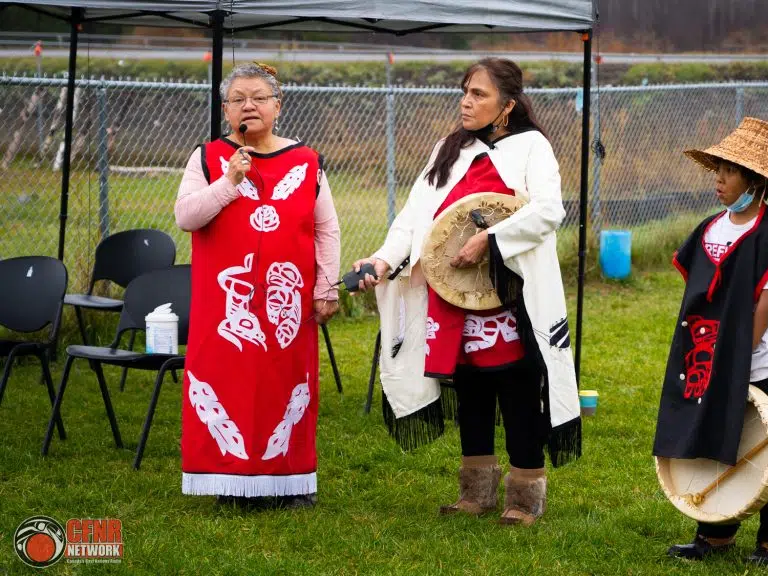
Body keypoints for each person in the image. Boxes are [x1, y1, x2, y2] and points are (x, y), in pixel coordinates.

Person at [351, 58, 581, 526]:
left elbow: (549, 211)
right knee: (472, 387)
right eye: (465, 91)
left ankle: (525, 496)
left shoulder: (532, 147)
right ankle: (475, 492)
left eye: (479, 94)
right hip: (454, 295)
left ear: (507, 105)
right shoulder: (449, 149)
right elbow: (414, 219)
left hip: (511, 296)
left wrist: (491, 240)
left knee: (518, 390)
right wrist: (382, 260)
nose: (466, 101)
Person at [174, 62, 341, 508]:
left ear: (277, 106)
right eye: (238, 99)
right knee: (226, 383)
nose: (249, 106)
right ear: (225, 108)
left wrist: (326, 286)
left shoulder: (306, 161)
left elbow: (326, 229)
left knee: (284, 385)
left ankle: (288, 482)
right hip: (227, 305)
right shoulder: (207, 157)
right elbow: (187, 216)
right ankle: (229, 481)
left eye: (259, 97)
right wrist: (230, 181)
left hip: (285, 304)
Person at [653, 117, 768, 572]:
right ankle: (715, 531)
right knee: (710, 437)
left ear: (755, 181)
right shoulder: (711, 229)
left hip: (758, 365)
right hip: (707, 360)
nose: (718, 179)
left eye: (728, 171)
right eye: (716, 169)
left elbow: (765, 305)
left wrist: (739, 359)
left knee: (766, 446)